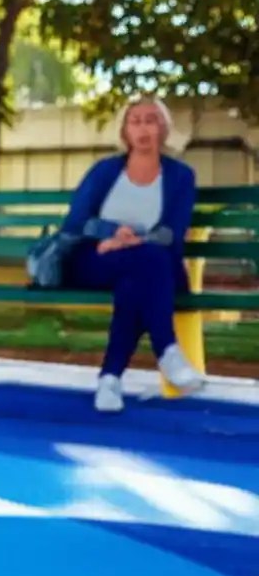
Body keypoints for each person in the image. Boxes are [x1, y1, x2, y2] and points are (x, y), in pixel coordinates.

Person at [58, 96, 207, 412]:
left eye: (151, 120)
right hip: (95, 260)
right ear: (125, 131)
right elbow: (75, 222)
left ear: (164, 129)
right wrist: (110, 233)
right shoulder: (105, 171)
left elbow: (172, 232)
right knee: (148, 264)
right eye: (135, 120)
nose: (143, 128)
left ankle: (110, 380)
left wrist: (129, 241)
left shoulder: (181, 176)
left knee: (137, 279)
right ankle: (167, 352)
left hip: (147, 263)